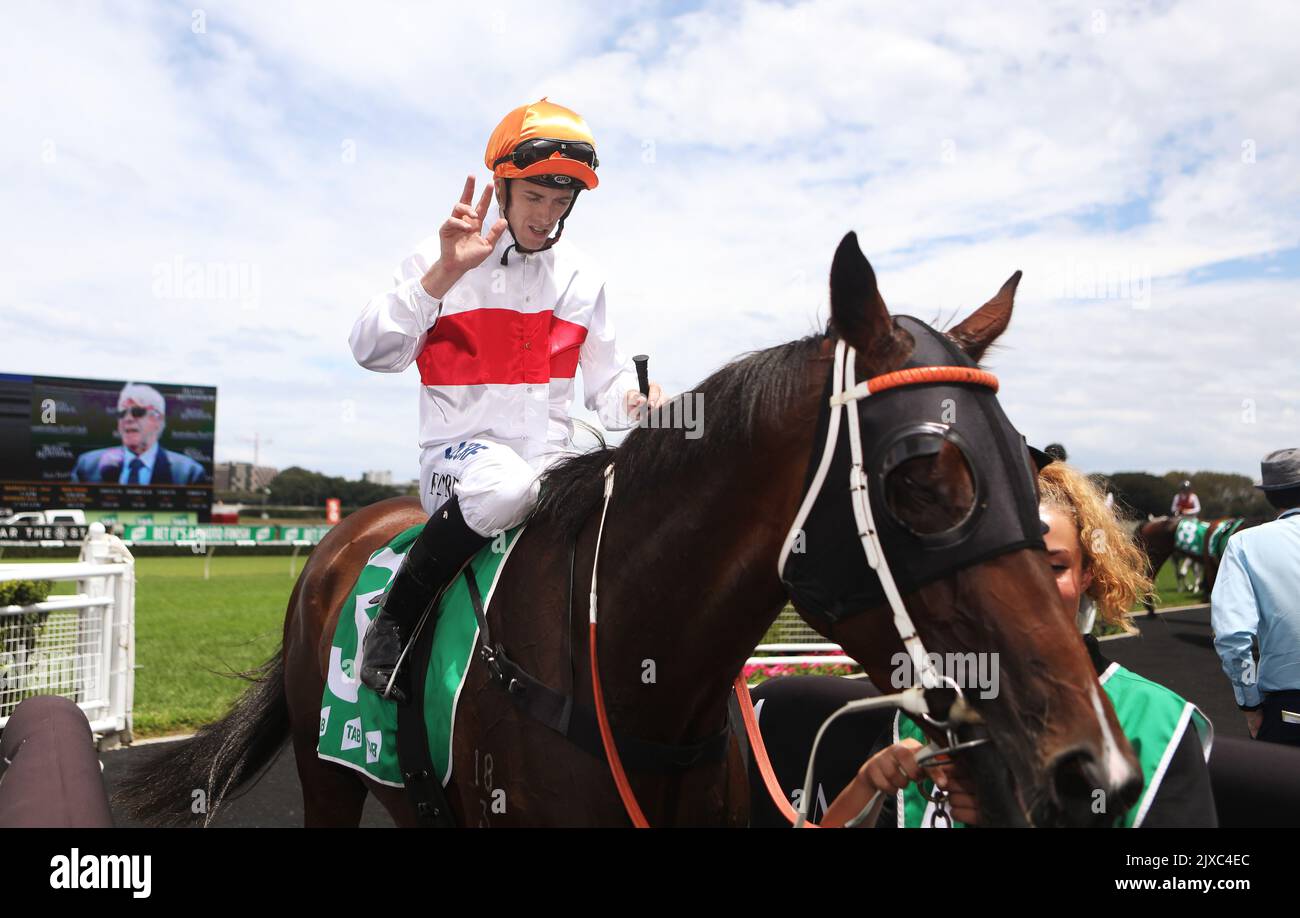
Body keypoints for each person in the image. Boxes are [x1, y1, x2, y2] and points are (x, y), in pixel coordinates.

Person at [348, 99, 664, 702]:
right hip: (459, 465)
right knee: (507, 487)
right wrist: (441, 275)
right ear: (502, 186)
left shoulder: (583, 278)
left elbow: (609, 393)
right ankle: (396, 620)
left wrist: (644, 401)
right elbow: (370, 350)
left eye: (560, 201)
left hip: (553, 462)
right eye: (534, 199)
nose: (547, 217)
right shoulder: (440, 254)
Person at [818, 458, 1216, 827]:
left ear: (1087, 573)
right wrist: (868, 783)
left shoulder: (1154, 722)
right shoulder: (930, 709)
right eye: (998, 568)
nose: (1029, 586)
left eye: (1054, 566)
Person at [1210, 448, 1300, 747]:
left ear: (1270, 495)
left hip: (1289, 711)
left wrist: (1250, 704)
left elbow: (1234, 638)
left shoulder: (1244, 545)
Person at [70, 382, 209, 485]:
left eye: (137, 412)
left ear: (158, 419)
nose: (128, 419)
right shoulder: (88, 465)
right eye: (122, 413)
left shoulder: (188, 472)